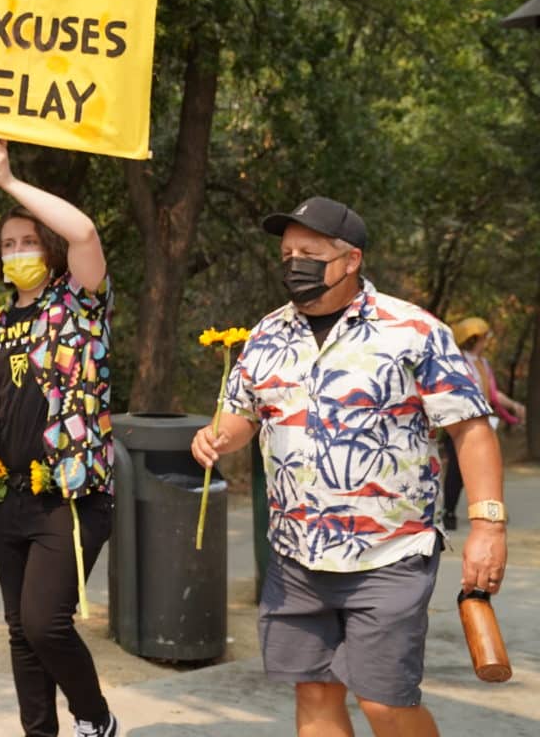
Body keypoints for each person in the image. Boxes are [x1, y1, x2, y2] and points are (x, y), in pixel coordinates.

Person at [192, 197, 507, 737]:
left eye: (309, 252)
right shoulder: (267, 333)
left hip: (388, 552)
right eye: (287, 253)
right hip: (295, 555)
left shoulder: (412, 330)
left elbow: (469, 428)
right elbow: (245, 414)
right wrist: (217, 435)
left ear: (351, 259)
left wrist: (488, 525)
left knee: (385, 702)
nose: (294, 263)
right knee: (314, 699)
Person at [0, 139, 117, 737]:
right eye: (7, 245)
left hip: (70, 499)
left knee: (47, 622)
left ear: (46, 249)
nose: (17, 252)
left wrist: (10, 182)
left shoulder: (78, 303)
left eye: (27, 242)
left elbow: (85, 233)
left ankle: (96, 719)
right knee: (20, 631)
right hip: (8, 497)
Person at [440, 316, 525, 530]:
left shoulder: (483, 363)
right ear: (473, 339)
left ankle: (492, 513)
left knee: (489, 467)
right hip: (460, 421)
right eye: (484, 337)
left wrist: (513, 408)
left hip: (483, 421)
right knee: (457, 472)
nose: (486, 341)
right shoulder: (458, 360)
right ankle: (448, 512)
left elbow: (493, 395)